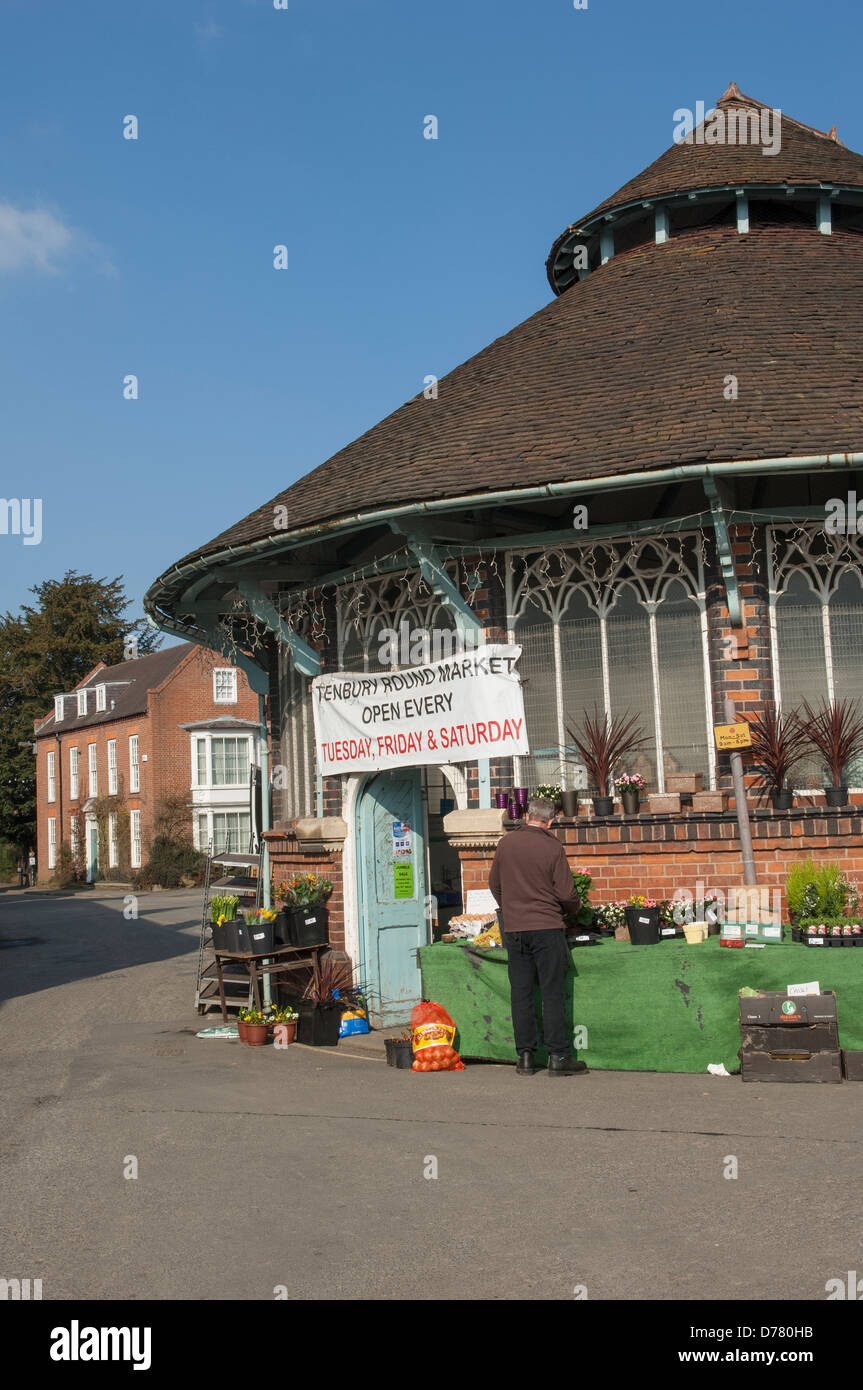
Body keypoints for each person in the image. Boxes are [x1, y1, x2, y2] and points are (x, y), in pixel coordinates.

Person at [488, 797, 588, 1077]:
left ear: (527, 815)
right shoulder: (552, 846)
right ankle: (558, 1056)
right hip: (546, 926)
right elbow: (567, 893)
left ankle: (525, 1057)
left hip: (515, 928)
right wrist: (575, 909)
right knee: (551, 992)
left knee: (521, 992)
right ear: (550, 820)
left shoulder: (506, 843)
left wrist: (511, 907)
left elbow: (494, 884)